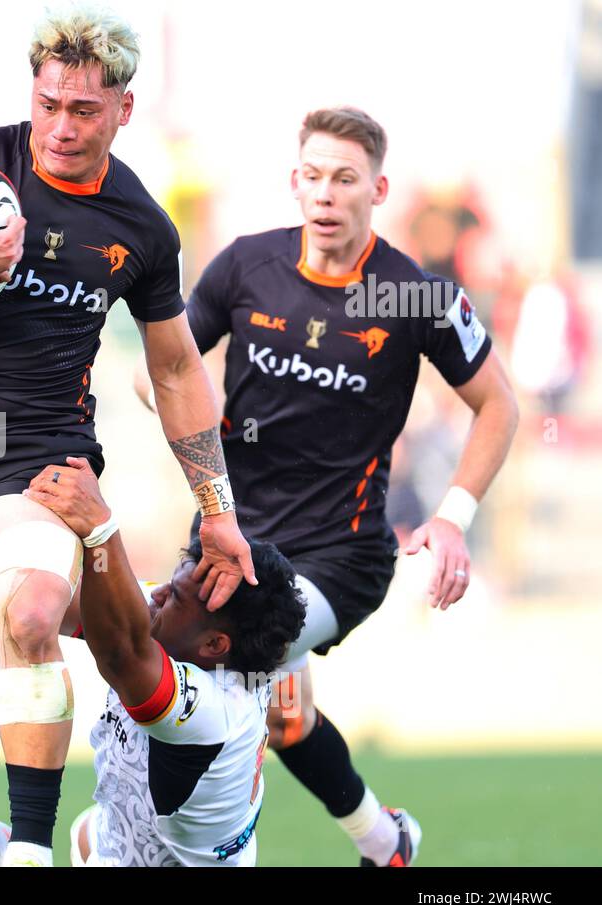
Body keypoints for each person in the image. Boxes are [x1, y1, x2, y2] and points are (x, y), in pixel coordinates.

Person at [0, 5, 255, 867]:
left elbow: (176, 369)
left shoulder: (140, 224)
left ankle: (33, 851)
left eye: (85, 111)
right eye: (48, 104)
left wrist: (217, 508)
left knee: (29, 612)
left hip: (37, 457)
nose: (61, 128)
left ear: (124, 111)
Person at [136, 107, 520, 865]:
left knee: (212, 658)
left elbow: (499, 405)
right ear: (294, 183)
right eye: (312, 176)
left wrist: (449, 518)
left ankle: (192, 851)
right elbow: (163, 371)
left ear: (377, 189)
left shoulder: (414, 295)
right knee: (285, 721)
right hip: (234, 539)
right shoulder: (246, 267)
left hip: (340, 558)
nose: (325, 194)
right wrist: (177, 399)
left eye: (344, 179)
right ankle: (386, 843)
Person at [22, 457, 305, 866]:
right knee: (88, 833)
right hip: (113, 837)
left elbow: (121, 654)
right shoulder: (188, 631)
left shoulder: (213, 710)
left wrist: (101, 526)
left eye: (174, 597)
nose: (157, 594)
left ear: (213, 645)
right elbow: (54, 601)